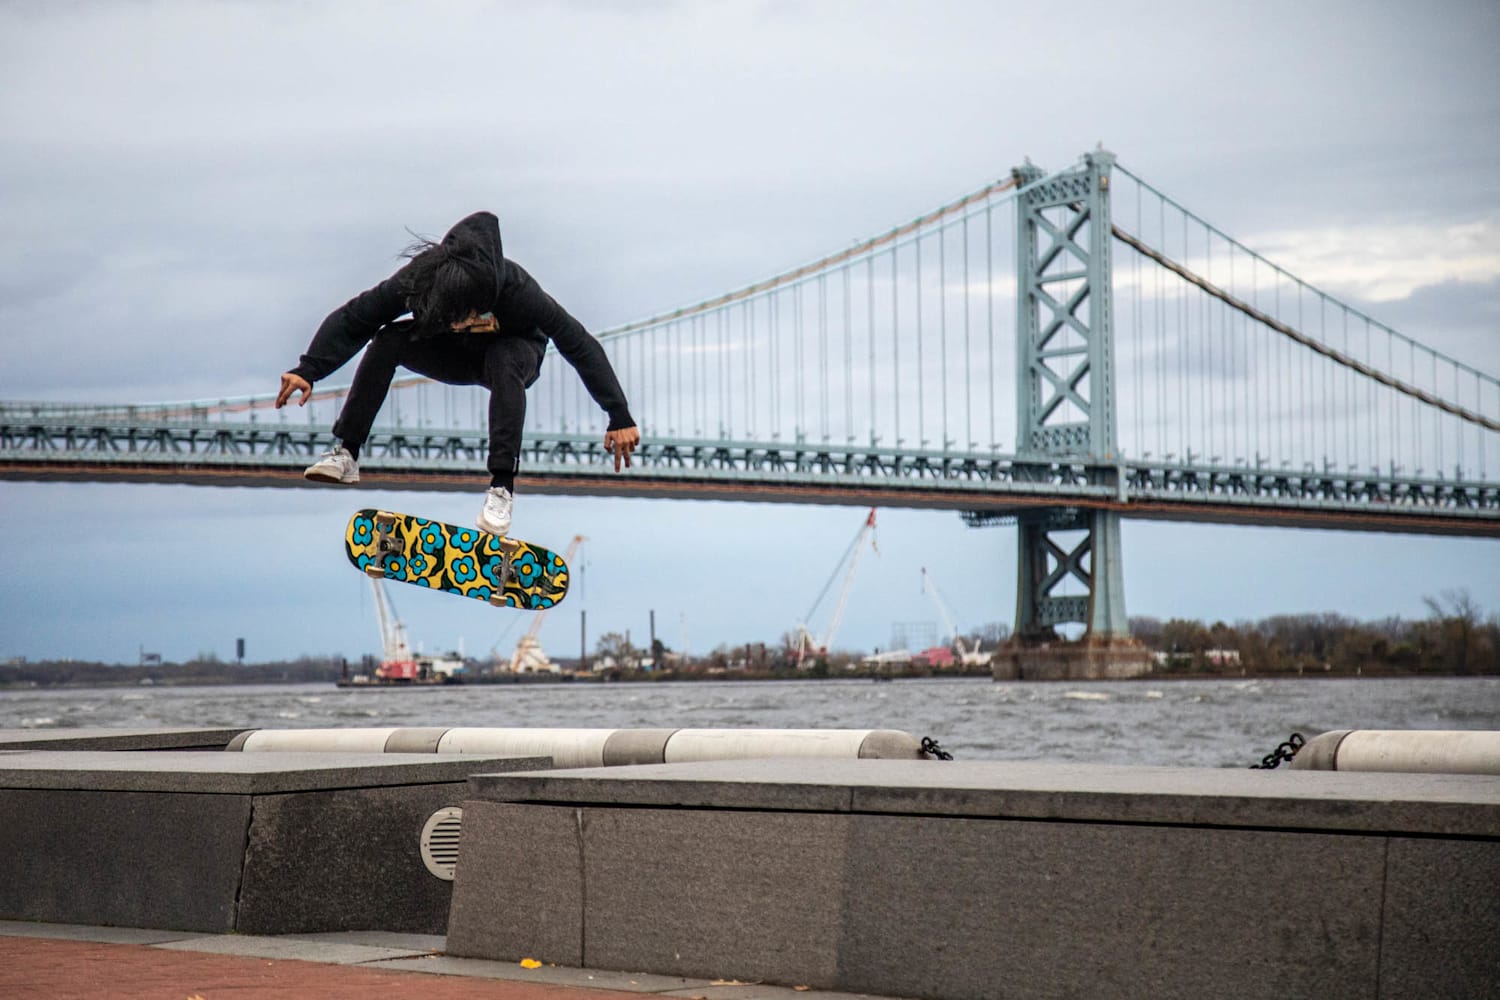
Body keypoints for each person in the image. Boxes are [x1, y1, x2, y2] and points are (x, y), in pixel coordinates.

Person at [274, 211, 639, 537]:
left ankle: (501, 489)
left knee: (504, 359)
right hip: (452, 354)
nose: (462, 322)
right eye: (455, 317)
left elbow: (578, 343)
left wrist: (618, 415)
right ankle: (347, 452)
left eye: (467, 316)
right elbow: (358, 315)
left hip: (514, 355)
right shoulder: (420, 278)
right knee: (388, 340)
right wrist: (310, 368)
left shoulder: (518, 290)